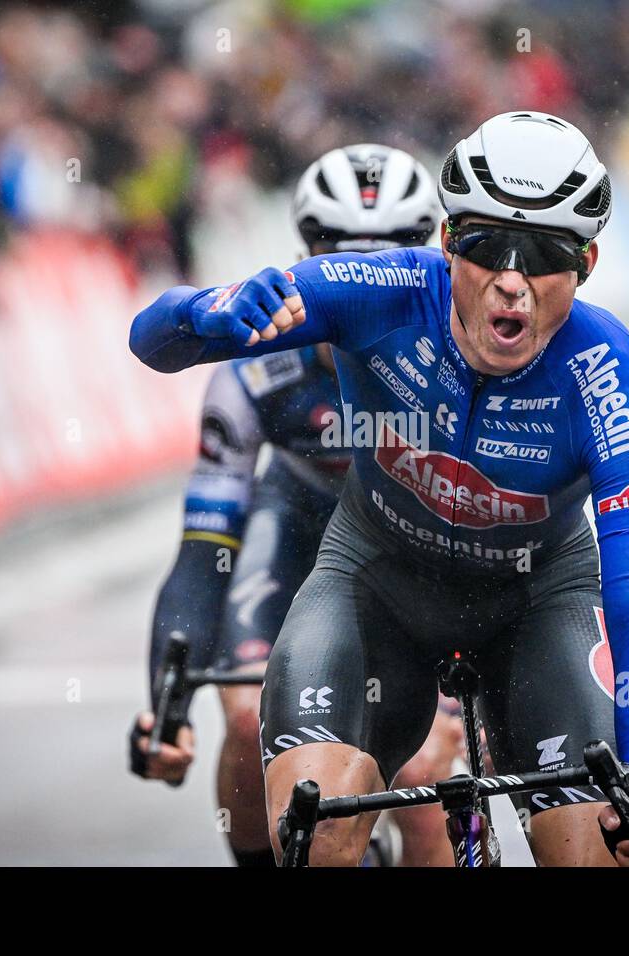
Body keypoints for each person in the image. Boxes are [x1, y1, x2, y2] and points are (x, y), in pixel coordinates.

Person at [130, 111, 629, 867]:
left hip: (537, 605)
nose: (513, 282)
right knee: (316, 831)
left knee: (607, 855)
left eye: (546, 255)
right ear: (449, 243)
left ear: (587, 263)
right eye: (488, 246)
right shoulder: (380, 290)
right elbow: (151, 342)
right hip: (376, 588)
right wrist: (206, 312)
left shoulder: (610, 375)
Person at [129, 144, 465, 867]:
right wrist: (168, 705)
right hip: (296, 527)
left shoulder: (456, 359)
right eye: (341, 256)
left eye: (392, 257)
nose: (364, 281)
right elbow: (202, 552)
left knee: (424, 778)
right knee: (249, 717)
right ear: (308, 253)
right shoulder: (258, 371)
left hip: (414, 550)